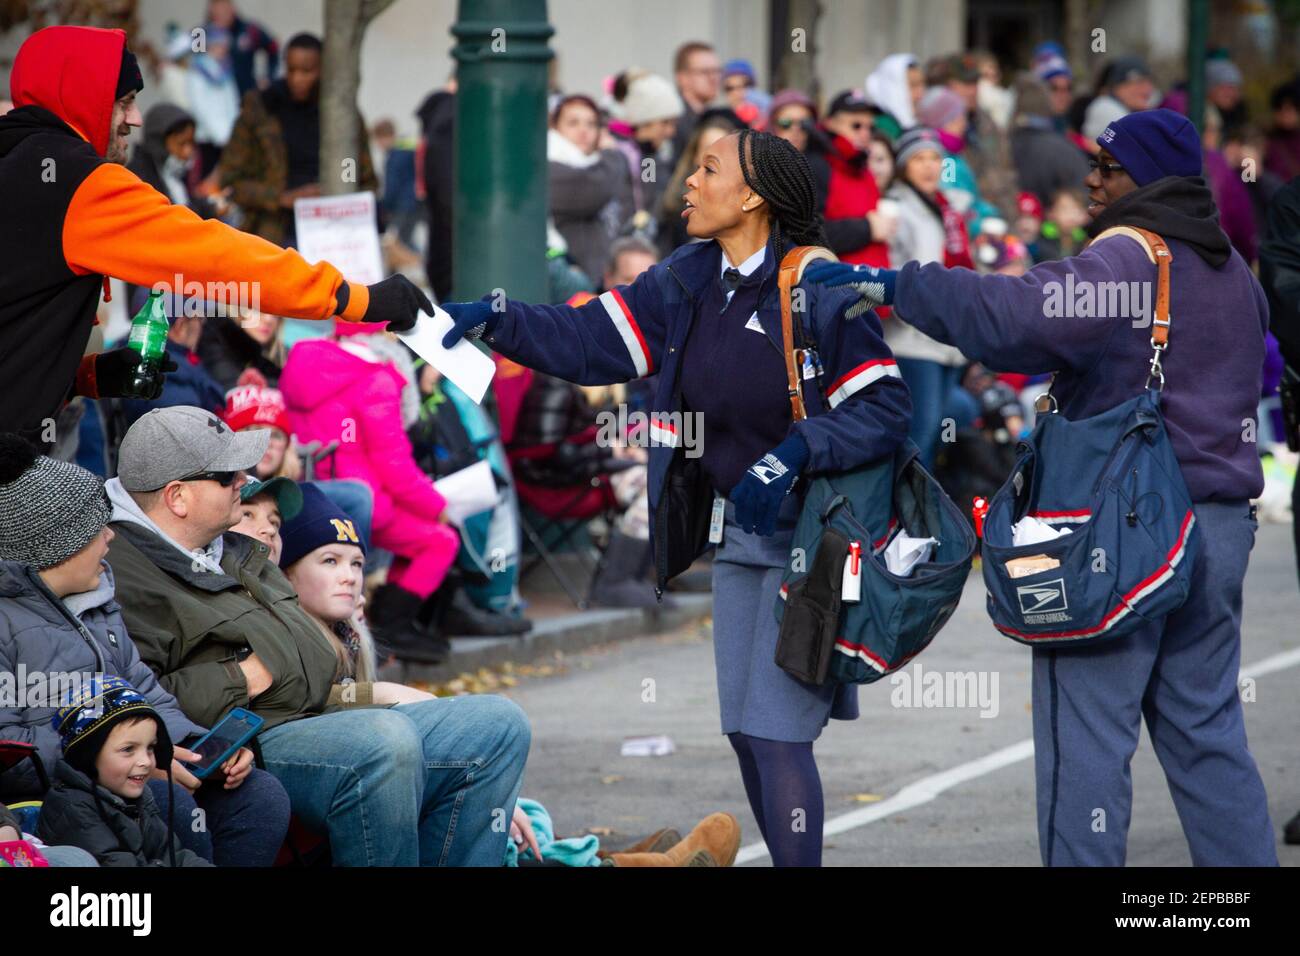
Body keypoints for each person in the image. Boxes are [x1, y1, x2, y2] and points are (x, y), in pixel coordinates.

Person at [806, 108, 1278, 866]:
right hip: (1220, 529)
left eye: (1109, 168)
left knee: (1085, 743)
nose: (1090, 179)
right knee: (1207, 732)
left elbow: (1016, 318)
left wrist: (892, 282)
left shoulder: (1130, 256)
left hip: (1127, 532)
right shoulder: (1230, 272)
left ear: (1148, 180)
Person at [438, 129, 911, 867]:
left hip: (812, 545)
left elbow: (884, 409)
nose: (687, 183)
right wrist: (499, 322)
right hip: (739, 537)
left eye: (708, 169)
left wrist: (794, 454)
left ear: (752, 195)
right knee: (747, 731)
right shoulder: (690, 276)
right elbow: (591, 336)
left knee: (779, 731)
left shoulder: (821, 288)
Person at [101, 406, 532, 866]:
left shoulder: (234, 547)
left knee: (499, 724)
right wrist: (243, 676)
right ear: (178, 497)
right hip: (251, 740)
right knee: (383, 740)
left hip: (315, 713)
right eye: (227, 476)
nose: (244, 481)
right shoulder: (121, 571)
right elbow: (135, 700)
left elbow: (319, 667)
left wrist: (359, 685)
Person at [0, 25, 432, 452]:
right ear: (82, 97)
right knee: (96, 516)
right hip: (12, 459)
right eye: (126, 103)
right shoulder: (76, 179)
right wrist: (355, 299)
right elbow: (213, 256)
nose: (135, 119)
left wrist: (86, 375)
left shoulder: (20, 162)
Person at [0, 434, 291, 866]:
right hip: (51, 799)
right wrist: (121, 754)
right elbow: (10, 749)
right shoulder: (6, 624)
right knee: (165, 798)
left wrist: (196, 747)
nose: (110, 537)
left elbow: (148, 696)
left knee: (257, 794)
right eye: (97, 528)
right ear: (58, 548)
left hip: (123, 773)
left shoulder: (99, 605)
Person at [279, 322, 460, 664]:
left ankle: (384, 624)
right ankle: (391, 631)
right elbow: (394, 464)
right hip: (366, 501)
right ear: (389, 335)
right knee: (441, 541)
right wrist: (436, 505)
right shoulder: (375, 378)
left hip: (312, 494)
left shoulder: (304, 362)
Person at [221, 32, 378, 247]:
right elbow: (231, 182)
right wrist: (282, 197)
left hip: (334, 234)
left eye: (307, 71)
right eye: (291, 70)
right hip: (273, 234)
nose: (297, 79)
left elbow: (363, 178)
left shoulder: (342, 115)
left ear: (323, 70)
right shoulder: (260, 109)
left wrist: (337, 192)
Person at [37, 676, 211, 866]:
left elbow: (173, 856)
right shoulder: (72, 808)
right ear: (88, 755)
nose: (145, 761)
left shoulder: (138, 797)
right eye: (128, 750)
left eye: (151, 747)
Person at [881, 127, 976, 469]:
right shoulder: (896, 207)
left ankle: (928, 502)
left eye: (934, 158)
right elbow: (891, 267)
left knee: (951, 417)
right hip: (912, 338)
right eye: (918, 158)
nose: (928, 166)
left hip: (947, 337)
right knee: (922, 429)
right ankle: (905, 512)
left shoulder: (947, 208)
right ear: (904, 165)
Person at [548, 94, 633, 280]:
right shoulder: (548, 165)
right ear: (554, 128)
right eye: (573, 123)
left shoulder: (599, 164)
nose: (583, 131)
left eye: (591, 123)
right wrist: (611, 154)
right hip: (570, 280)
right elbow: (594, 188)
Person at [806, 90, 894, 269]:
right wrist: (867, 229)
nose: (865, 133)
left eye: (870, 127)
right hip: (839, 289)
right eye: (856, 125)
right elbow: (807, 234)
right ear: (831, 124)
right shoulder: (817, 166)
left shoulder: (862, 167)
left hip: (874, 285)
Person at [1009, 73, 1091, 210]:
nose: (1062, 95)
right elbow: (1087, 199)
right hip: (1062, 227)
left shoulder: (1004, 145)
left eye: (1068, 88)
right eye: (1054, 88)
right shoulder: (1064, 149)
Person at [206, 0, 280, 98]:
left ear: (232, 8)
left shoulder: (250, 30)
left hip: (246, 96)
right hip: (217, 97)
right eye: (216, 12)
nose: (221, 14)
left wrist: (268, 77)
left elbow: (273, 48)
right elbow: (191, 62)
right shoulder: (203, 33)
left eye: (224, 9)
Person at [1082, 55, 1155, 141]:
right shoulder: (1105, 106)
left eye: (1149, 82)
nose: (1148, 89)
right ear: (1116, 86)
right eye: (1139, 82)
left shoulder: (1126, 109)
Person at [670, 41, 722, 161]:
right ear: (682, 78)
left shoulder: (713, 117)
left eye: (717, 71)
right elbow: (651, 170)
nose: (713, 78)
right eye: (705, 72)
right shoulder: (672, 122)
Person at [864, 52, 923, 139]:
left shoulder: (919, 123)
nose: (921, 94)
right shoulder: (881, 128)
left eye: (922, 84)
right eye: (913, 85)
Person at [766, 89, 817, 154]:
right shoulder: (756, 161)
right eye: (785, 123)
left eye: (805, 123)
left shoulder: (820, 162)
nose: (796, 129)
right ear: (772, 125)